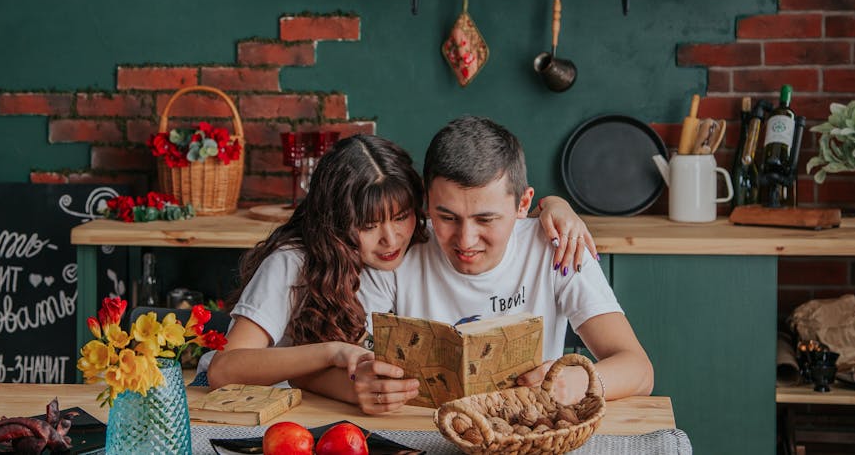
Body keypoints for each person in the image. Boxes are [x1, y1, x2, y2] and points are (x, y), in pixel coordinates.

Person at [205, 134, 595, 390]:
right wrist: (333, 352)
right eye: (368, 225)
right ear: (336, 222)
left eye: (402, 218)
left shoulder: (423, 238)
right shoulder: (293, 263)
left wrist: (555, 205)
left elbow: (488, 206)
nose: (391, 239)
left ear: (418, 209)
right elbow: (224, 370)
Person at [347, 116, 654, 413]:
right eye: (447, 217)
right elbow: (346, 357)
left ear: (523, 204)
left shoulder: (557, 246)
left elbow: (639, 370)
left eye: (486, 219)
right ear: (427, 203)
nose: (466, 240)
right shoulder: (397, 252)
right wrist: (358, 381)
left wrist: (581, 381)